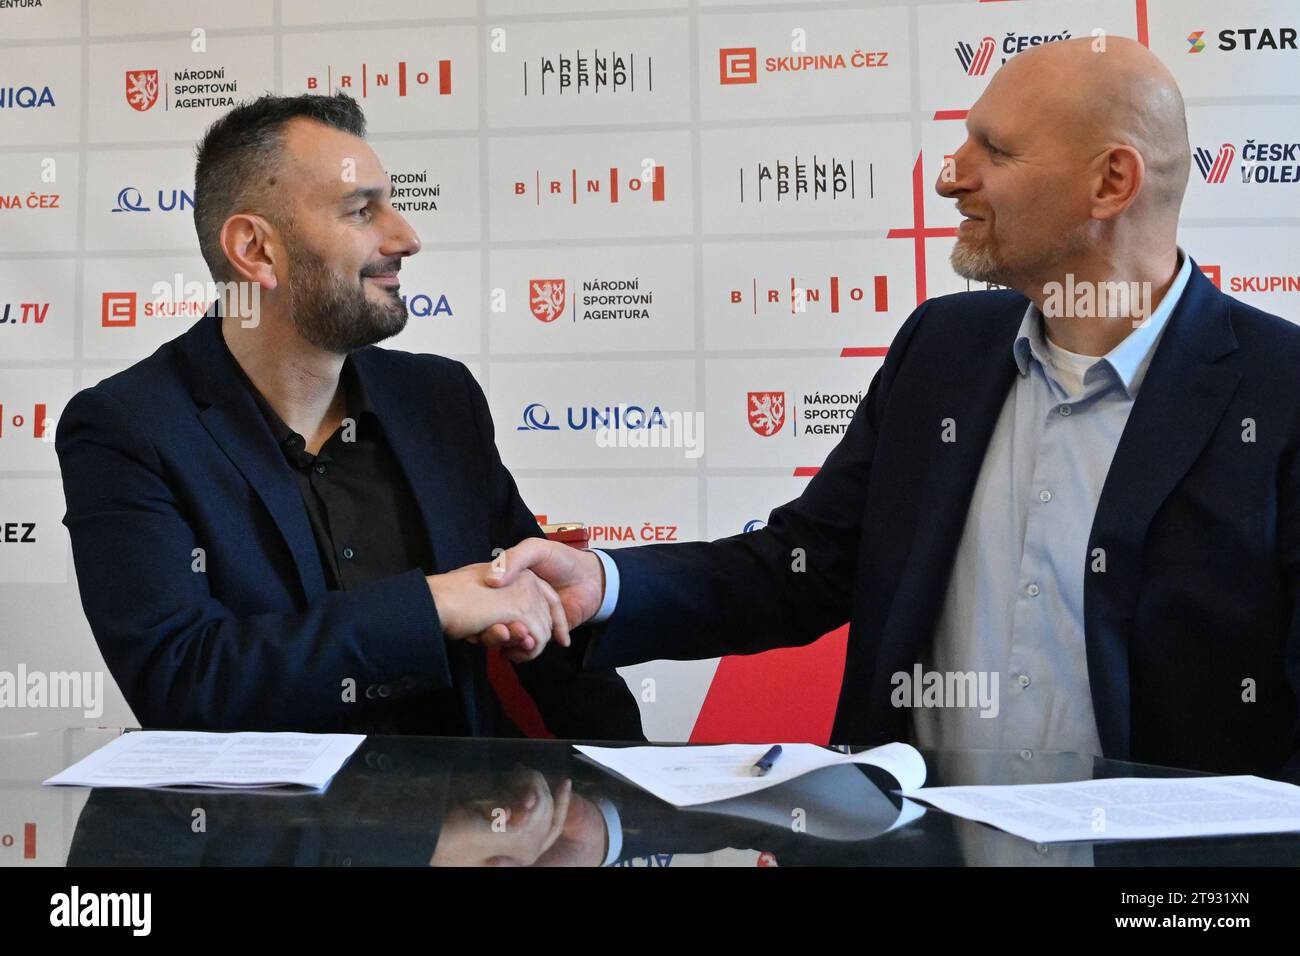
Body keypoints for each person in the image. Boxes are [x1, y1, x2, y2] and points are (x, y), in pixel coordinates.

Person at [486, 37, 1300, 780]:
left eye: (996, 150)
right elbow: (805, 566)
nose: (950, 175)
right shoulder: (941, 352)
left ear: (1111, 181)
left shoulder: (1279, 387)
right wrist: (604, 582)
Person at [55, 92, 643, 739]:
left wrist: (632, 796)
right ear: (255, 248)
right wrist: (429, 606)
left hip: (482, 820)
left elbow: (546, 635)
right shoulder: (127, 428)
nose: (406, 238)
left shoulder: (441, 400)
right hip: (262, 837)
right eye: (363, 211)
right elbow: (182, 685)